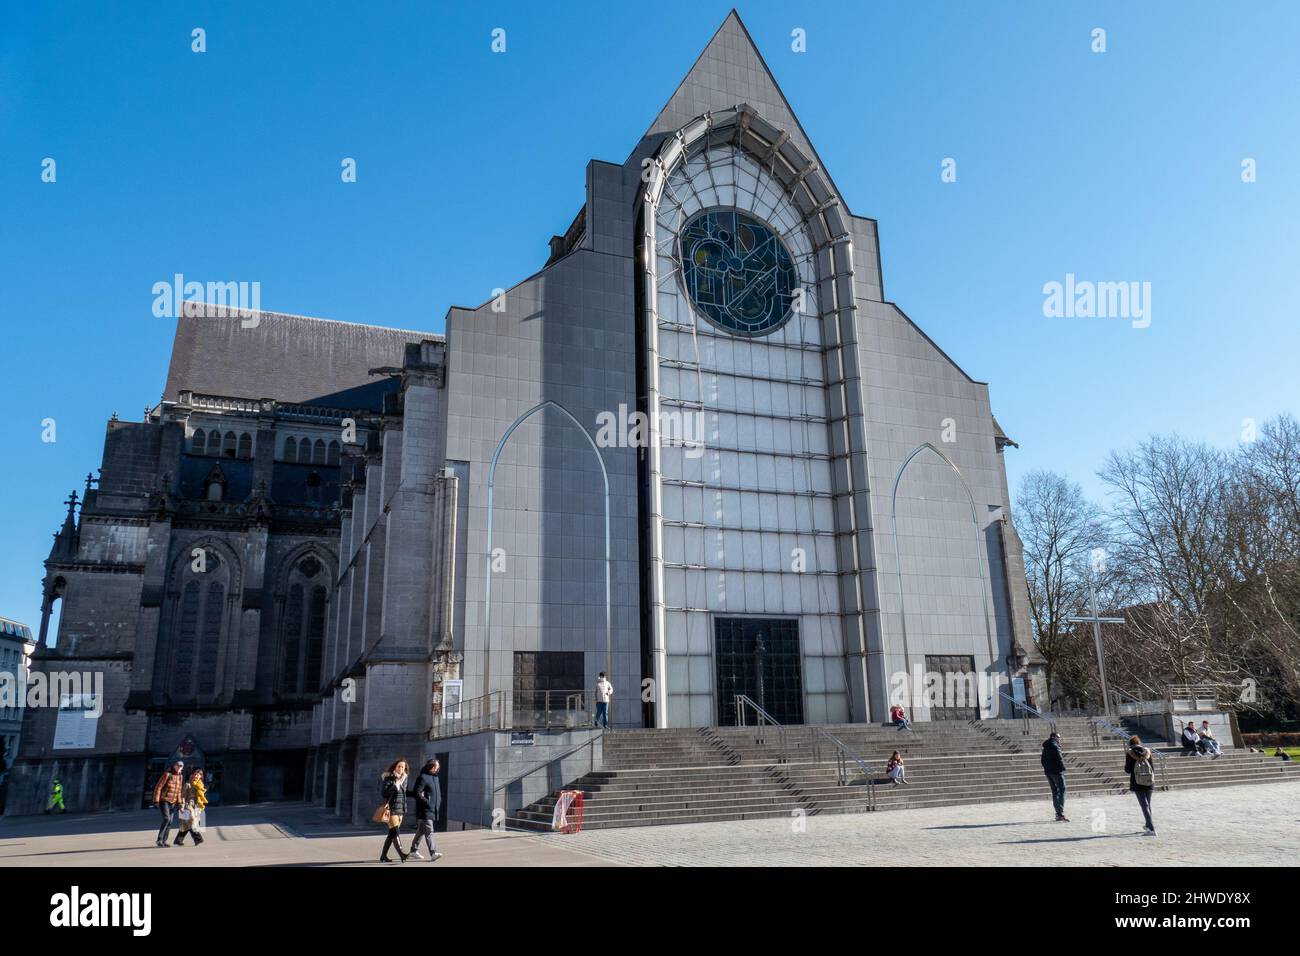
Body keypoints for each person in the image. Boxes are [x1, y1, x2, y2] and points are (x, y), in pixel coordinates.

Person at [408, 758, 444, 862]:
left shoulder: (435, 778)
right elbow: (416, 793)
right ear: (432, 767)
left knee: (421, 831)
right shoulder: (423, 778)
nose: (438, 769)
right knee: (429, 831)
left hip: (432, 809)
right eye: (437, 767)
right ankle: (433, 853)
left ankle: (413, 851)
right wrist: (427, 802)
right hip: (424, 810)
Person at [379, 759, 410, 863]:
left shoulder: (405, 779)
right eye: (399, 766)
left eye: (403, 767)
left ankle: (383, 856)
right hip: (391, 808)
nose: (401, 768)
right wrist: (395, 785)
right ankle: (402, 854)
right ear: (395, 767)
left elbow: (404, 795)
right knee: (395, 831)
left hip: (400, 809)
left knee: (391, 834)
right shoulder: (389, 778)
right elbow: (384, 793)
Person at [1125, 735, 1157, 835]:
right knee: (1147, 804)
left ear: (1130, 744)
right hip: (1148, 781)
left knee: (1144, 805)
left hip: (1137, 782)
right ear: (1139, 743)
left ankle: (1151, 829)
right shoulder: (1147, 751)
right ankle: (1148, 825)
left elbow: (1128, 769)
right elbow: (1152, 768)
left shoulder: (1130, 752)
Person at [152, 761, 185, 847]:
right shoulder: (167, 775)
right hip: (164, 800)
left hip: (173, 802)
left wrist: (180, 803)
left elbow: (179, 791)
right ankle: (159, 840)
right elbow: (158, 787)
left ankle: (164, 841)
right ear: (174, 766)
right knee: (166, 819)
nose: (179, 767)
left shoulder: (180, 777)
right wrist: (156, 801)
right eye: (178, 766)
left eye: (181, 766)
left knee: (170, 821)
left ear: (182, 768)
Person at [175, 768, 208, 846]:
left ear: (201, 776)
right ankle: (198, 839)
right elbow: (183, 796)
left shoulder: (201, 785)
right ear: (192, 775)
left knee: (186, 824)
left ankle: (178, 840)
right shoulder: (187, 784)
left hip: (197, 806)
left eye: (199, 774)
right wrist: (182, 806)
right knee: (192, 822)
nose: (197, 776)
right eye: (195, 774)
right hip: (188, 805)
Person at [1040, 731, 1068, 822]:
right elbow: (1059, 759)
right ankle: (1060, 813)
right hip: (1057, 772)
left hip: (1048, 772)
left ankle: (1058, 813)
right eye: (1058, 737)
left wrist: (1047, 769)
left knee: (1055, 792)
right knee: (1062, 790)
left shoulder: (1045, 747)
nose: (1059, 739)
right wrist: (1063, 768)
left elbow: (1042, 761)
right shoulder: (1055, 746)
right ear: (1054, 737)